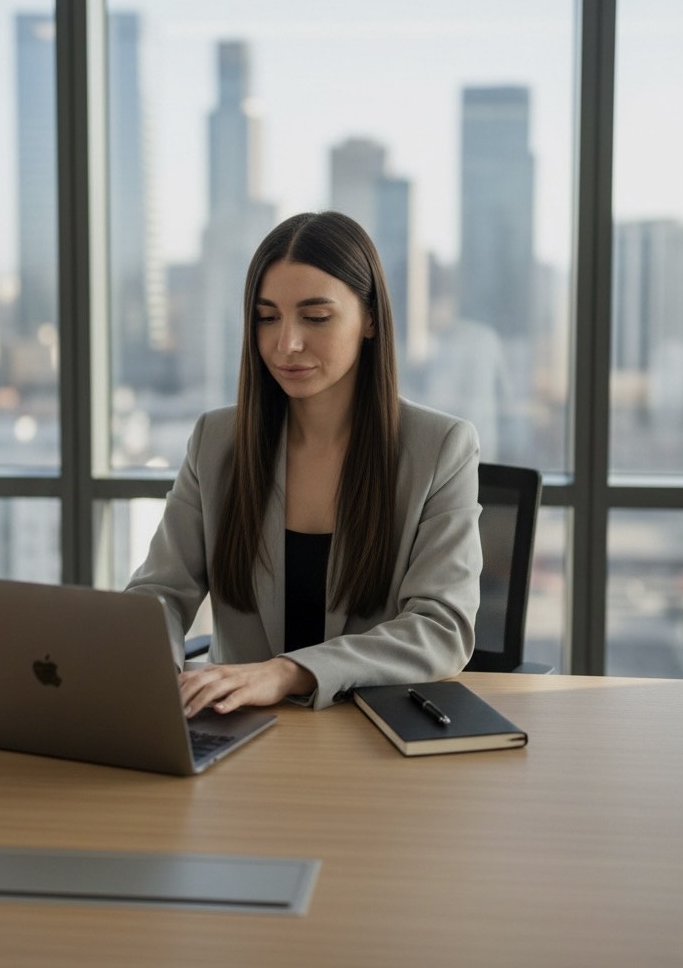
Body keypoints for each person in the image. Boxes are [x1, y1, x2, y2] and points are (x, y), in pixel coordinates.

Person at [126, 211, 482, 714]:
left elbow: (441, 629)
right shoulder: (217, 441)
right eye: (267, 317)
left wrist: (290, 672)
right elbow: (162, 589)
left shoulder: (440, 447)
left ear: (371, 319)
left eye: (316, 318)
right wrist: (149, 668)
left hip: (370, 739)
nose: (285, 343)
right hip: (239, 733)